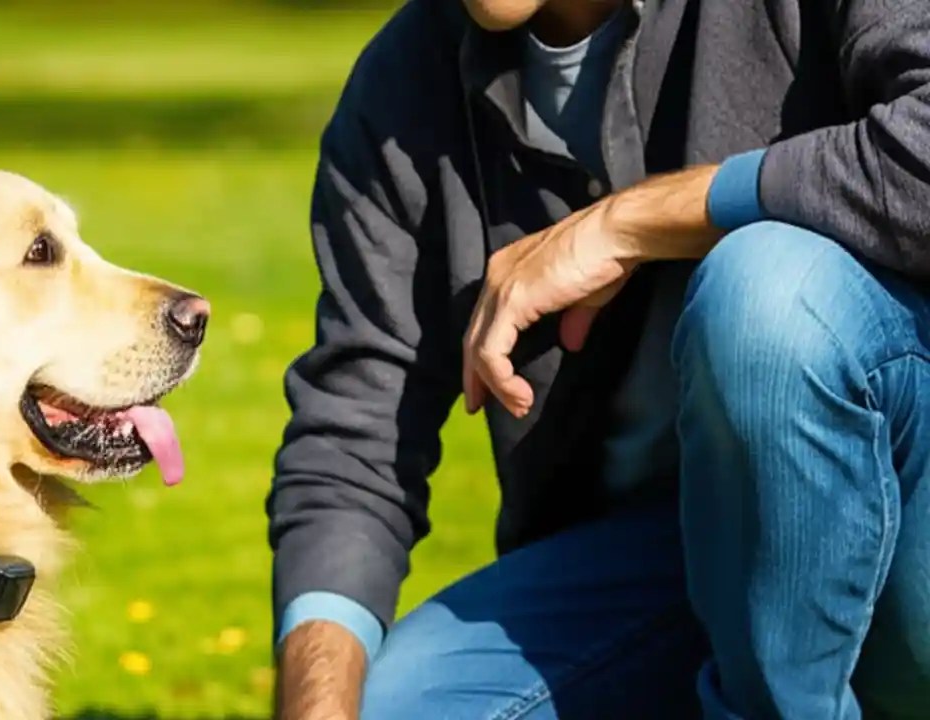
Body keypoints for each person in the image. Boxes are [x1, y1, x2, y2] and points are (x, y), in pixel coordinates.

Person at [265, 0, 930, 717]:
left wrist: (632, 223)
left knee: (771, 295)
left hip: (903, 533)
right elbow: (353, 444)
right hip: (658, 565)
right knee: (383, 707)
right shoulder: (403, 80)